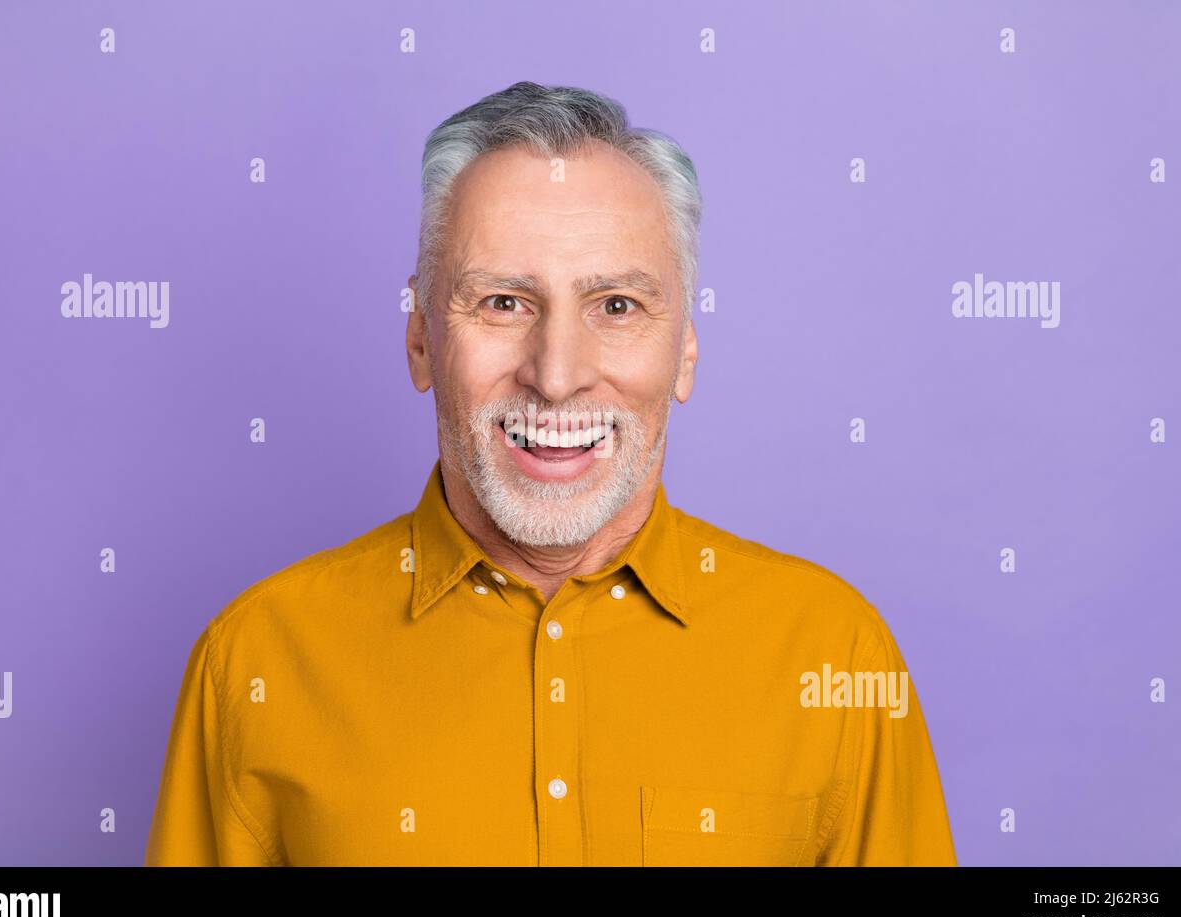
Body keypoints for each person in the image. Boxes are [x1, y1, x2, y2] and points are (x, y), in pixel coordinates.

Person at [145, 81, 957, 866]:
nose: (558, 373)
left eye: (616, 306)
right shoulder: (253, 663)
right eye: (502, 302)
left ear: (686, 352)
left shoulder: (837, 657)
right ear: (422, 340)